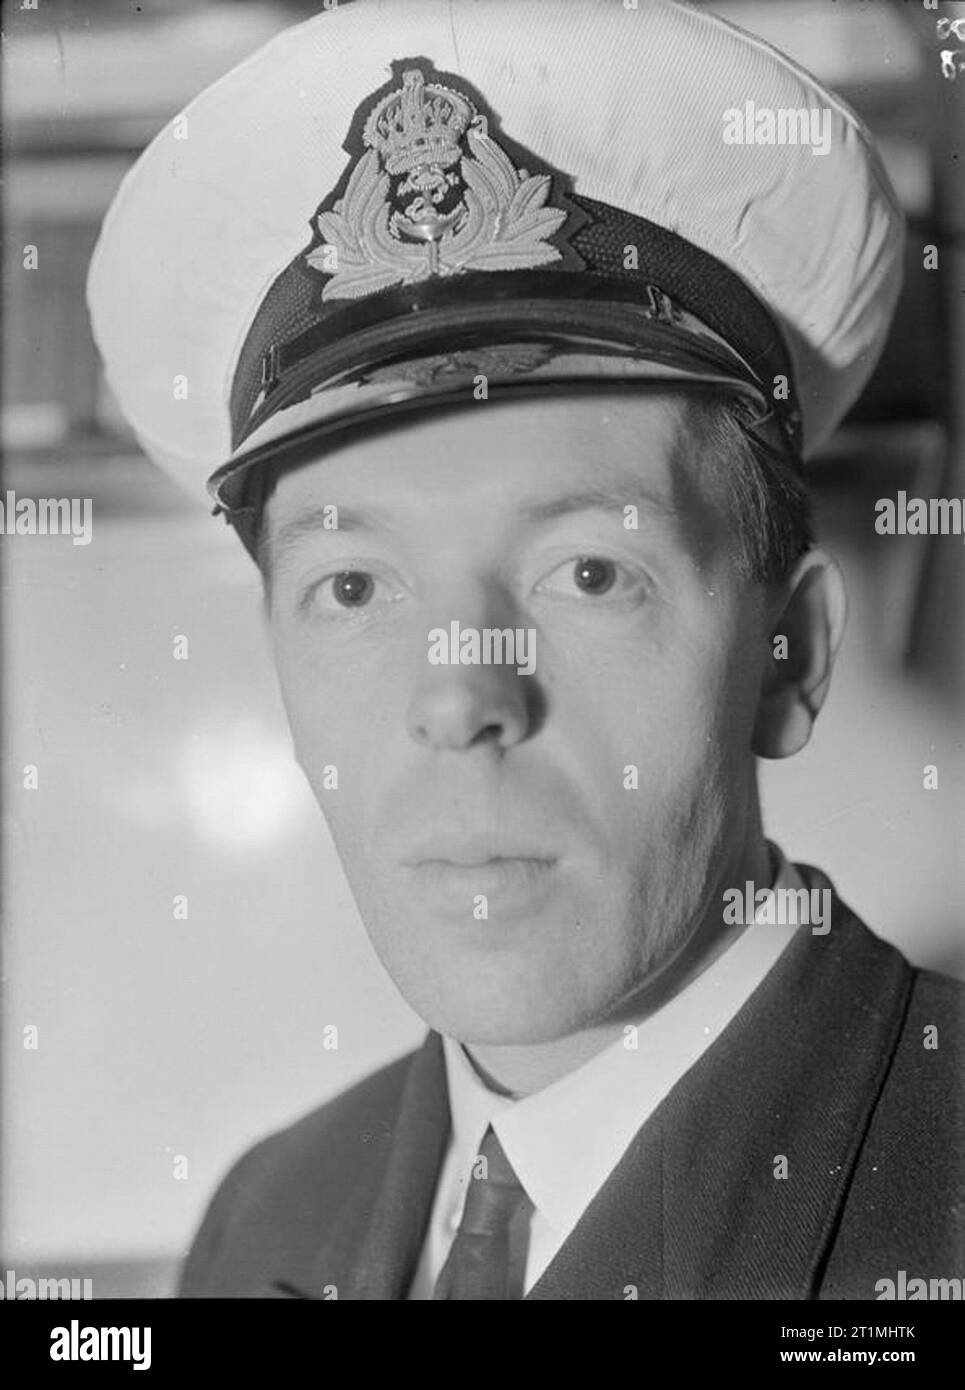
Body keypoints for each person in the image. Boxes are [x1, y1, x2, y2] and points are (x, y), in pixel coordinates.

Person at [87, 0, 963, 1300]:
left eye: (589, 572)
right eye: (352, 584)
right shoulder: (267, 1217)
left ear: (788, 653)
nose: (457, 694)